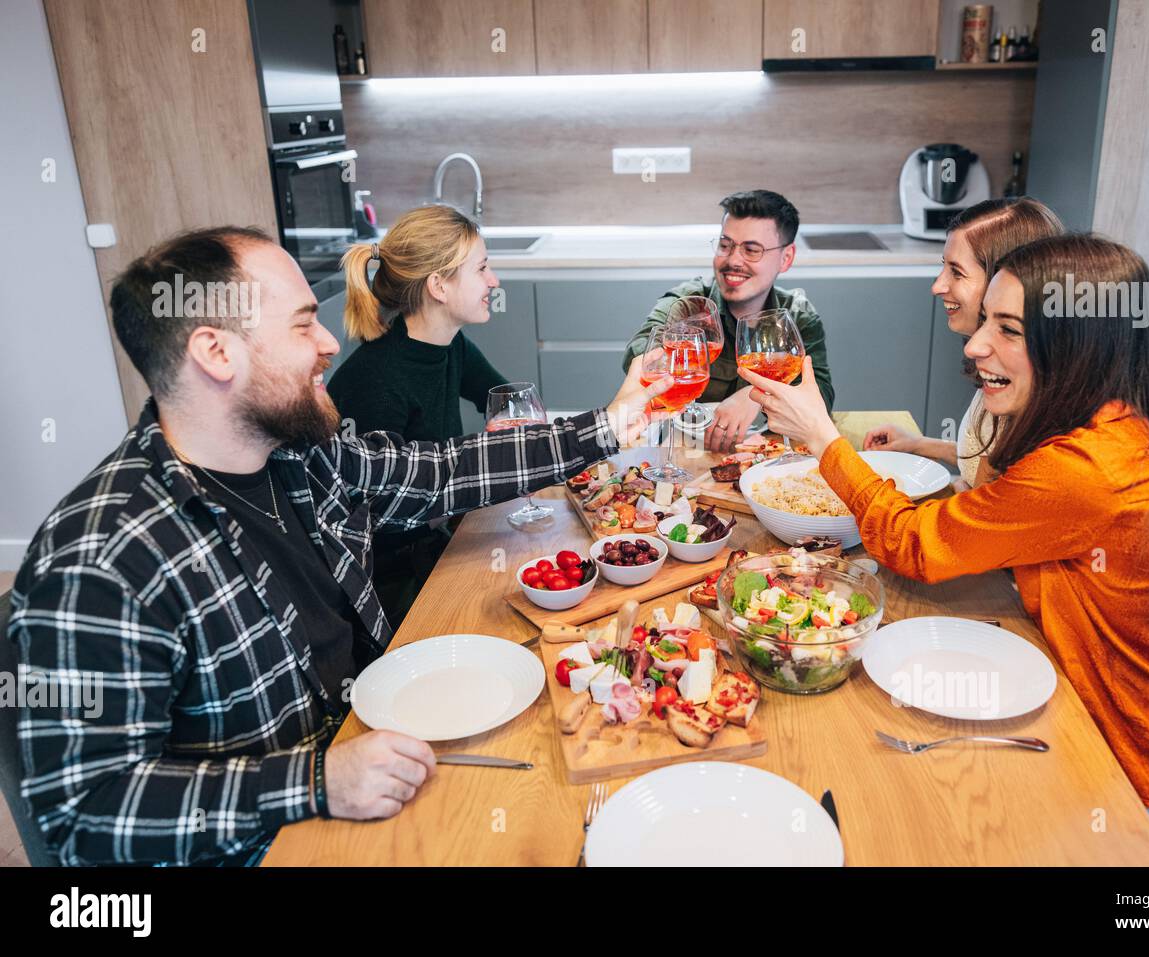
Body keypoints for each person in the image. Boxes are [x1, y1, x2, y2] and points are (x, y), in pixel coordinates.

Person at [6, 226, 666, 866]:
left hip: (377, 752)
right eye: (301, 324)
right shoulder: (101, 556)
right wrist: (316, 779)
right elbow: (85, 814)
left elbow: (441, 470)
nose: (329, 340)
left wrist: (611, 423)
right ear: (215, 353)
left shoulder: (304, 453)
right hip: (278, 837)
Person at [741, 234, 1149, 866]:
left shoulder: (1088, 469)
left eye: (1008, 329)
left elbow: (917, 545)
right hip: (1117, 746)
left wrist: (824, 438)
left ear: (1078, 347)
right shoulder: (1105, 426)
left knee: (936, 830)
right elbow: (976, 518)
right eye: (986, 318)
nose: (975, 344)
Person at [328, 205, 509, 625]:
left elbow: (507, 401)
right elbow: (385, 511)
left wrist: (513, 432)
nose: (494, 281)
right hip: (389, 585)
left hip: (434, 541)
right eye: (481, 269)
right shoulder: (376, 380)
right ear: (439, 286)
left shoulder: (450, 346)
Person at [863, 198, 1064, 488]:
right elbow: (982, 458)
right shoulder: (1004, 370)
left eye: (956, 272)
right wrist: (918, 444)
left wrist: (823, 438)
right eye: (944, 267)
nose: (937, 286)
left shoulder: (1024, 395)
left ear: (1005, 280)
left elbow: (986, 493)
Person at [621, 189, 834, 452]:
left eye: (751, 250)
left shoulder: (798, 315)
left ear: (786, 258)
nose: (733, 260)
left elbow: (821, 398)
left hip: (767, 453)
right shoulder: (689, 303)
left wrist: (757, 396)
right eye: (725, 245)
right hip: (689, 451)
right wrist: (683, 354)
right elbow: (639, 352)